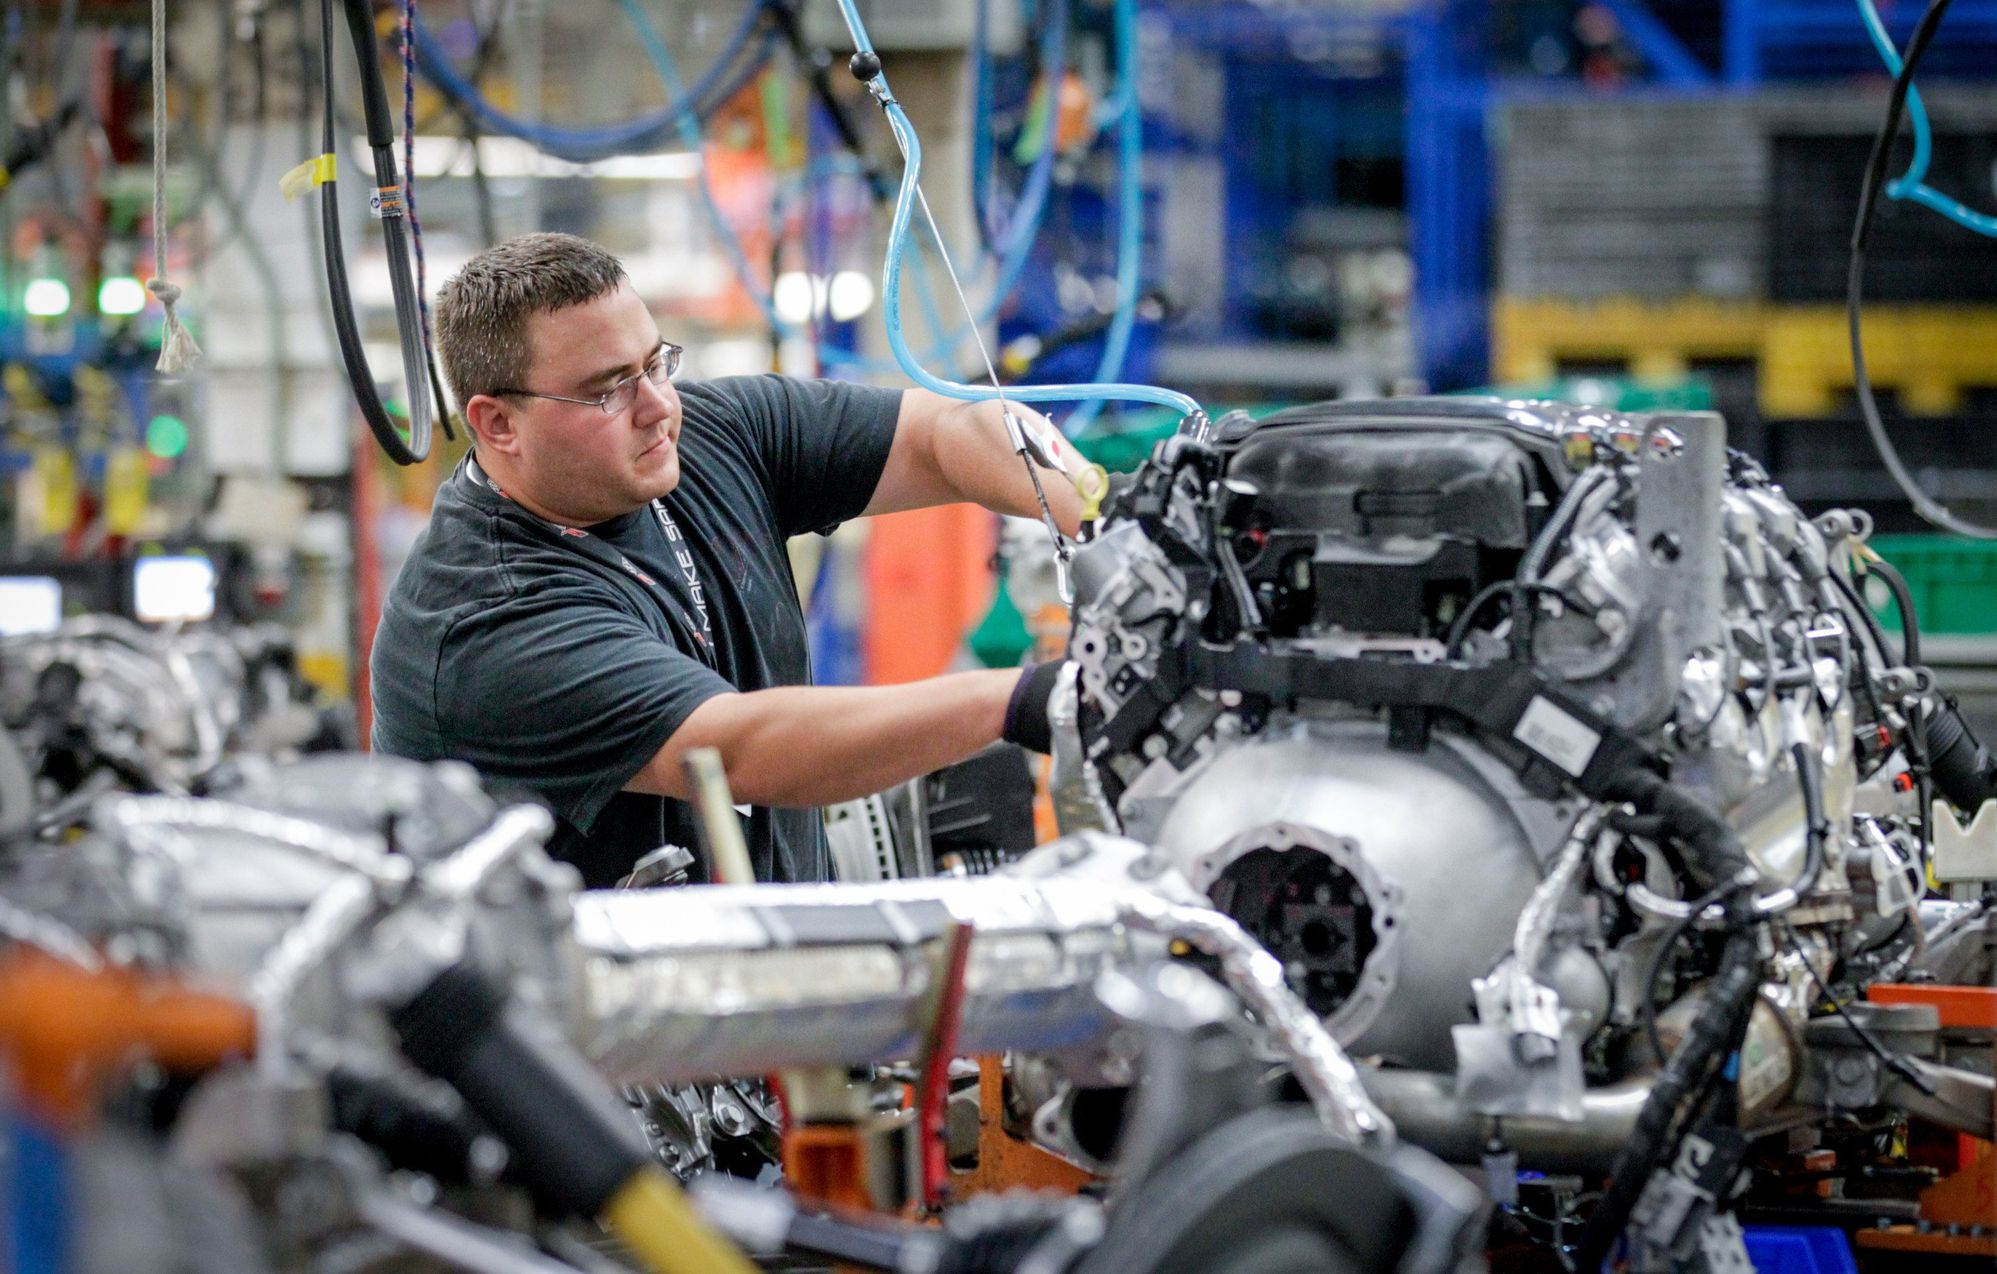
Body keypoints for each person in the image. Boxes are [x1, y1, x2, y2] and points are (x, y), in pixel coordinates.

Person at [371, 233, 1079, 889]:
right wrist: (1017, 700)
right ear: (497, 423)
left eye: (656, 363)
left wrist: (1100, 517)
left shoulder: (710, 435)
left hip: (752, 985)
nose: (658, 408)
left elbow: (944, 430)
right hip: (577, 1015)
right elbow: (738, 752)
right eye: (608, 389)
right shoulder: (484, 618)